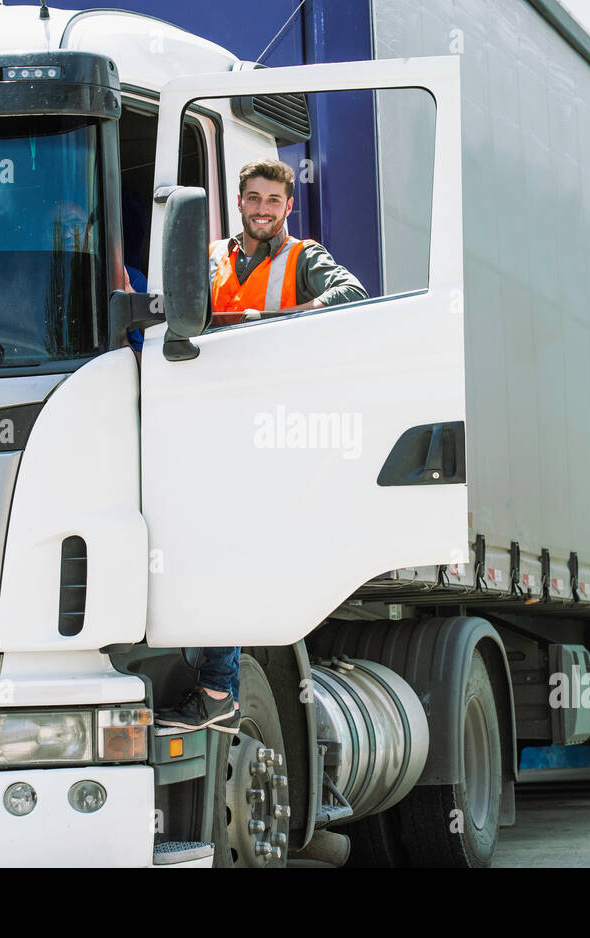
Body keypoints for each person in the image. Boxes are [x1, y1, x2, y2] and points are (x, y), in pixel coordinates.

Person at [154, 158, 367, 734]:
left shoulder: (304, 258)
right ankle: (208, 681)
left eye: (275, 200)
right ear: (241, 202)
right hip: (209, 421)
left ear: (288, 207)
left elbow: (352, 295)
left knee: (223, 546)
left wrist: (274, 323)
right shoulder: (212, 257)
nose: (264, 209)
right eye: (254, 198)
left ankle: (218, 690)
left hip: (271, 424)